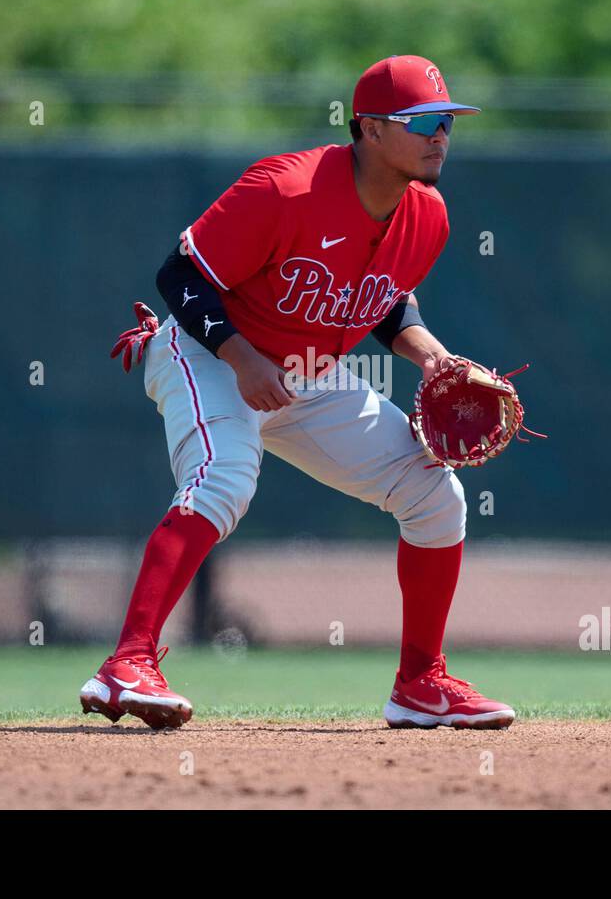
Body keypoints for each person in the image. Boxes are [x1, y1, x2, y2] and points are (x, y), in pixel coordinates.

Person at [79, 55, 515, 729]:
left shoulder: (427, 215)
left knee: (434, 495)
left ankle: (419, 685)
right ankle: (126, 666)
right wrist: (241, 357)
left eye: (447, 123)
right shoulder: (287, 189)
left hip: (304, 374)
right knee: (224, 479)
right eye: (423, 121)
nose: (440, 136)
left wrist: (431, 356)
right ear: (369, 129)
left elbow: (385, 300)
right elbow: (181, 275)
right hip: (208, 353)